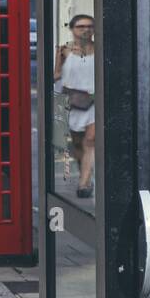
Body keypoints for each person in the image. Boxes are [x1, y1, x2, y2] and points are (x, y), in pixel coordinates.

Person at [54, 15, 95, 197]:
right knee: (78, 144)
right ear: (72, 29)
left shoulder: (100, 49)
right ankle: (86, 172)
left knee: (90, 141)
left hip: (95, 101)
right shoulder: (64, 51)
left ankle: (84, 184)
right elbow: (55, 75)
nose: (86, 30)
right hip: (74, 103)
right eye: (81, 26)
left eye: (89, 26)